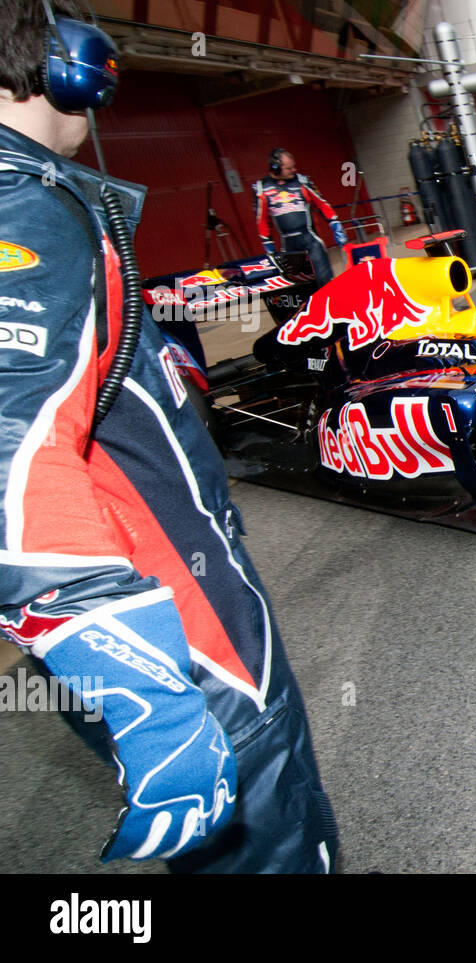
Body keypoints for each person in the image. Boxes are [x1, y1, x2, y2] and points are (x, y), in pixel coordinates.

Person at [0, 0, 338, 872]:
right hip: (178, 626)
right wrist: (132, 673)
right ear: (63, 63)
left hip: (139, 598)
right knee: (270, 828)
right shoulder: (22, 208)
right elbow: (13, 443)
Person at [251, 148, 348, 285]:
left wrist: (336, 225)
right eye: (289, 168)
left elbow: (323, 204)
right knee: (298, 283)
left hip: (311, 239)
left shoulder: (302, 181)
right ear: (276, 168)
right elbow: (261, 220)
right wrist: (269, 247)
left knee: (324, 280)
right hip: (288, 245)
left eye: (293, 167)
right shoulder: (261, 188)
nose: (294, 170)